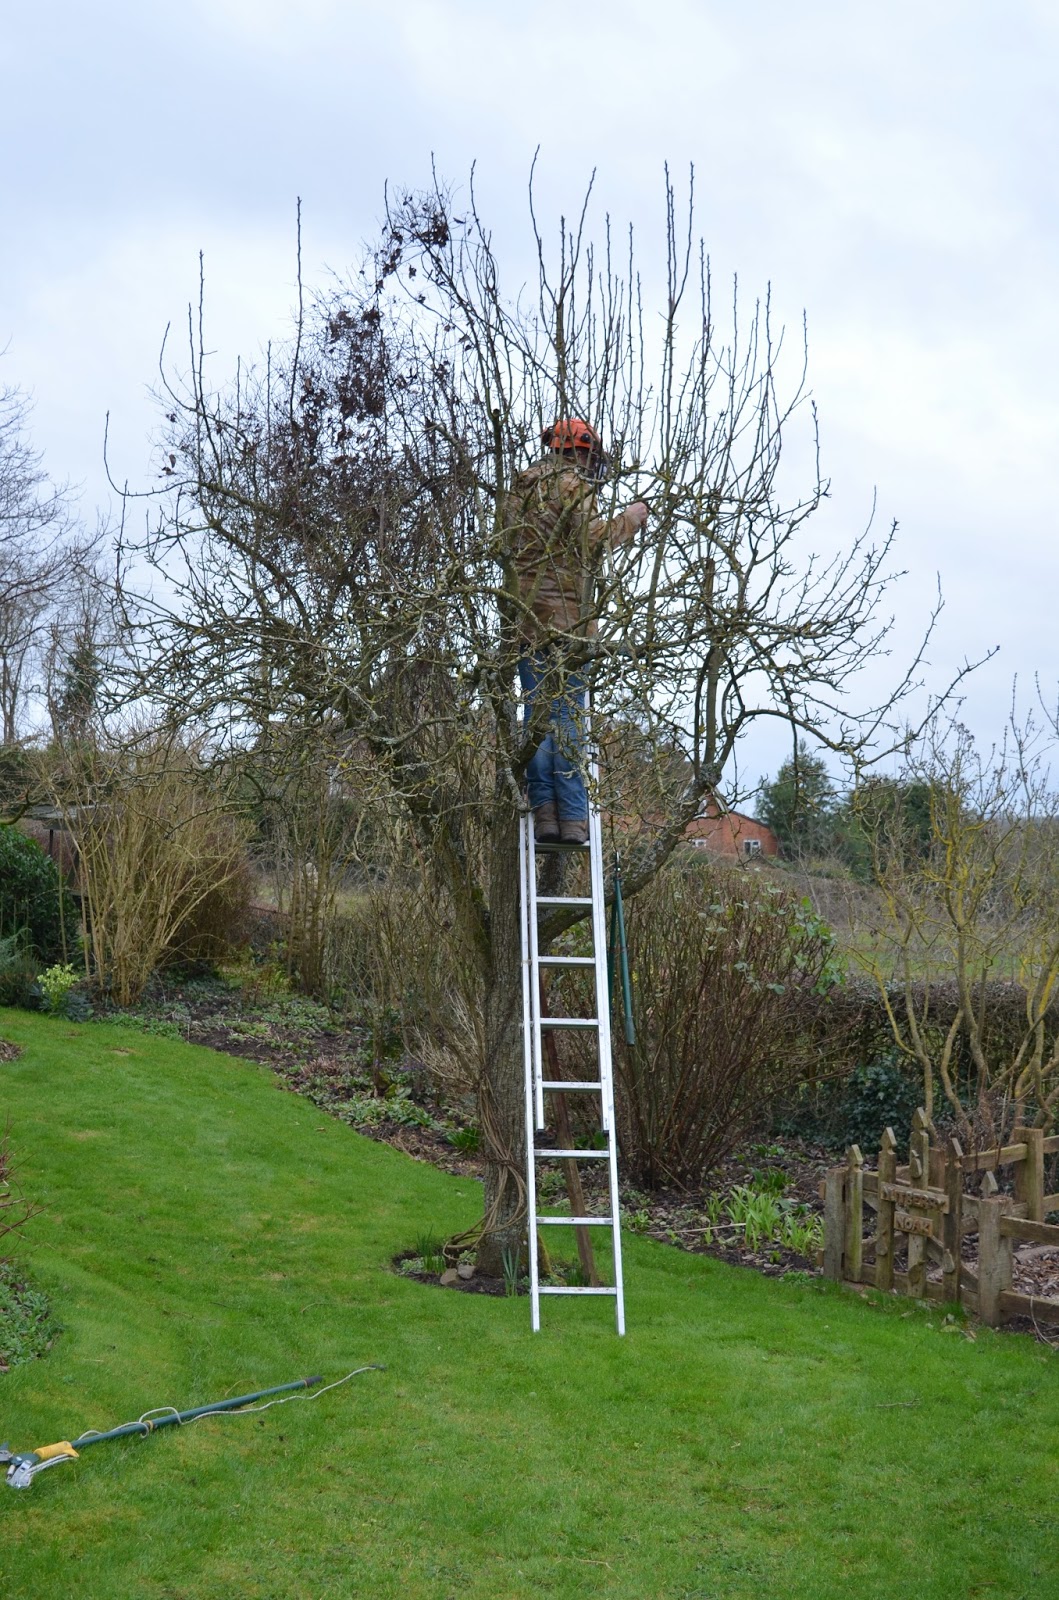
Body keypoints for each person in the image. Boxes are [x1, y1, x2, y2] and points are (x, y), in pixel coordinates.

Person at [507, 418, 648, 843]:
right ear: (580, 451)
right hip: (569, 623)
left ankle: (544, 812)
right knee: (568, 720)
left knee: (537, 716)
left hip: (525, 621)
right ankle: (572, 817)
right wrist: (631, 519)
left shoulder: (519, 489)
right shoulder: (573, 487)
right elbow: (594, 540)